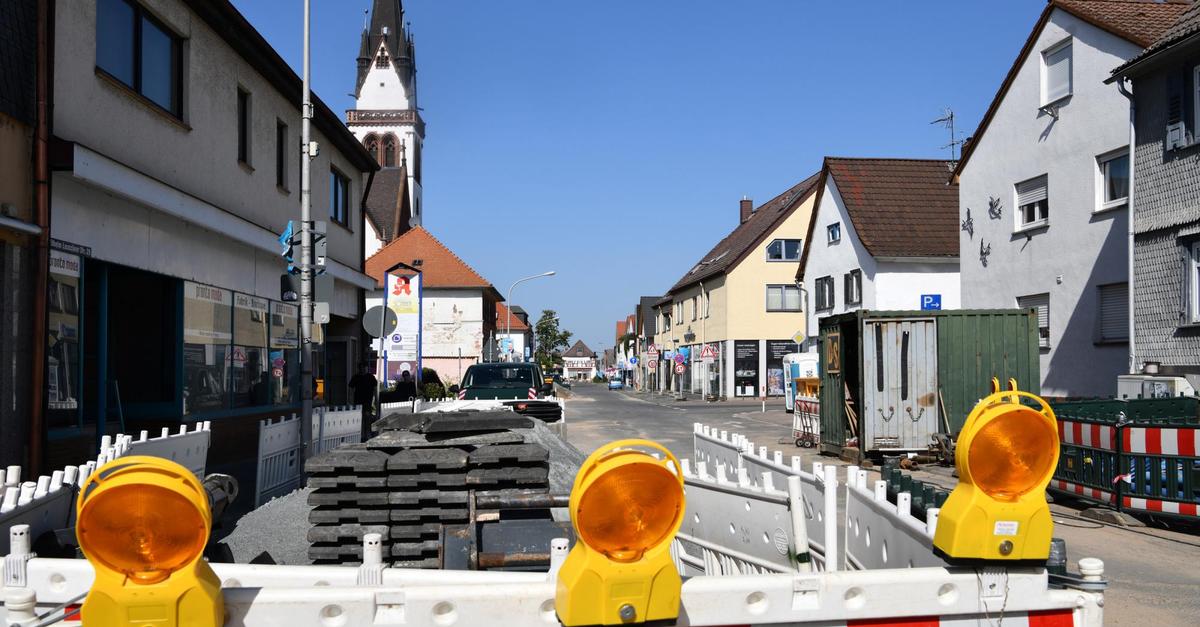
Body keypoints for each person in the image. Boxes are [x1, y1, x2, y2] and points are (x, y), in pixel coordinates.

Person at [348, 363, 378, 443]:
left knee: (367, 418)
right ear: (359, 369)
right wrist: (350, 399)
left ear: (367, 368)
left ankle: (367, 434)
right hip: (358, 401)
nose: (363, 369)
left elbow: (375, 389)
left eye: (365, 367)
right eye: (362, 368)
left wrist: (376, 399)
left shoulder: (371, 377)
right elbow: (350, 388)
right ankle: (361, 435)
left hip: (368, 401)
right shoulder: (356, 377)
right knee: (359, 418)